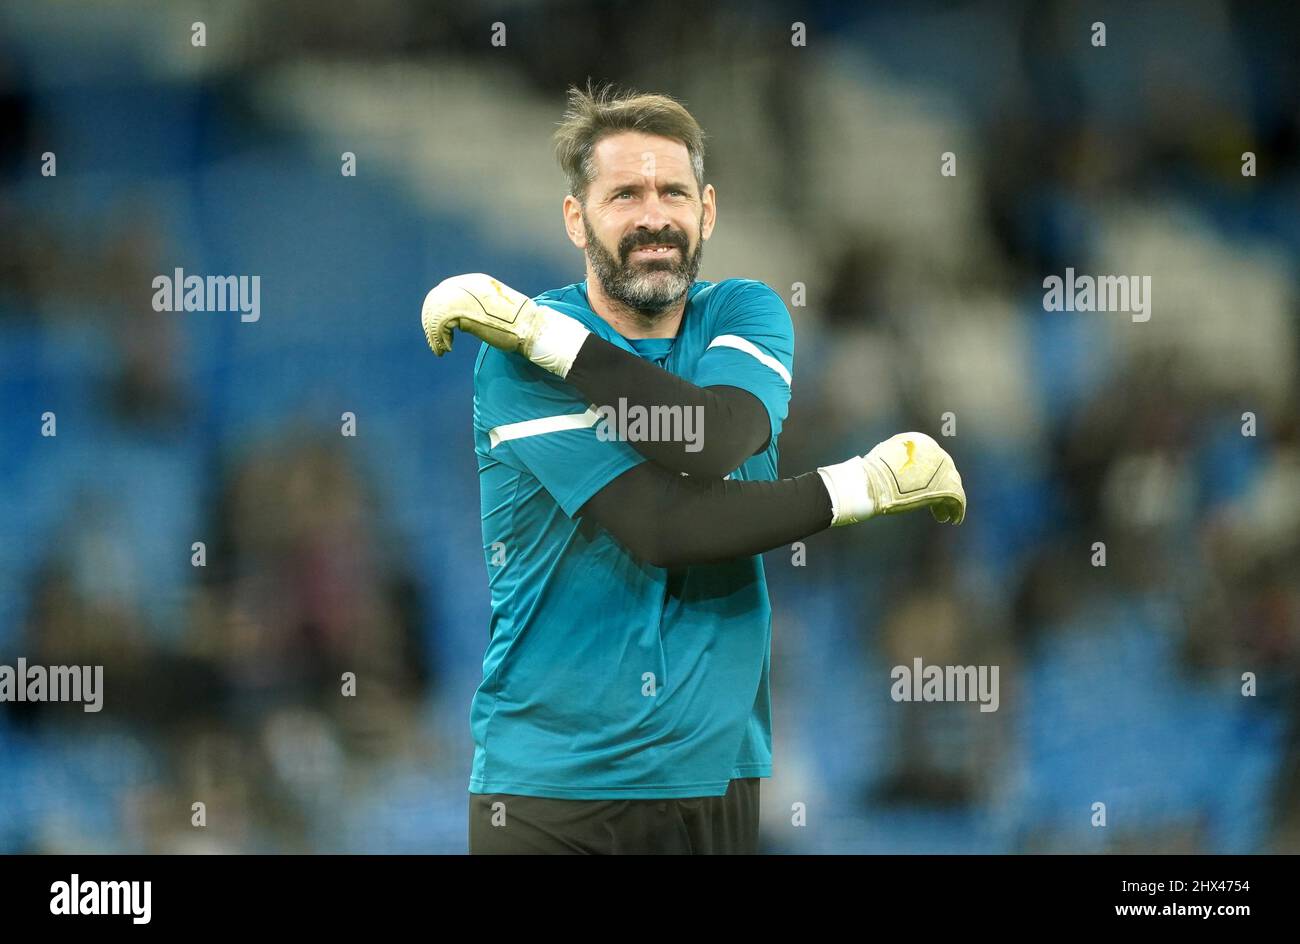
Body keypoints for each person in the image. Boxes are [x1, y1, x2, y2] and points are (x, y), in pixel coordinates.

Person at [422, 82, 966, 854]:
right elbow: (660, 526)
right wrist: (864, 485)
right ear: (576, 217)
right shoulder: (514, 360)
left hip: (719, 778)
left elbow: (709, 438)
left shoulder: (743, 314)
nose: (653, 216)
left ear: (706, 211)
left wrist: (553, 341)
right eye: (624, 195)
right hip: (554, 788)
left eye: (672, 191)